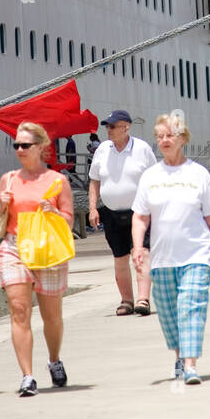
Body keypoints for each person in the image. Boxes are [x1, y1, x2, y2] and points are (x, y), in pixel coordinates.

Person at [132, 112, 210, 385]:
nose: (164, 140)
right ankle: (179, 356)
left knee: (191, 307)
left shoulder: (198, 174)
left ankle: (190, 365)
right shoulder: (150, 176)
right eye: (160, 136)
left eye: (170, 135)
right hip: (162, 259)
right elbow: (140, 216)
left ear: (183, 139)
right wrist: (138, 247)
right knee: (168, 314)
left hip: (197, 255)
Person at [0, 122, 74, 397]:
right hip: (15, 247)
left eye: (25, 145)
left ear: (41, 147)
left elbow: (69, 219)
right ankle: (27, 376)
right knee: (19, 310)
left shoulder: (57, 180)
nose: (19, 150)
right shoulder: (9, 178)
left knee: (52, 316)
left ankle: (54, 359)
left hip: (48, 249)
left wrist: (53, 211)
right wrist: (1, 204)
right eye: (16, 145)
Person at [87, 110, 157, 315]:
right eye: (107, 126)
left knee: (141, 253)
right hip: (111, 213)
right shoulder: (102, 150)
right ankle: (126, 300)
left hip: (140, 212)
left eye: (112, 126)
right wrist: (92, 208)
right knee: (120, 257)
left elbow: (154, 178)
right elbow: (95, 181)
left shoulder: (142, 149)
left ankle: (143, 299)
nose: (108, 130)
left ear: (126, 127)